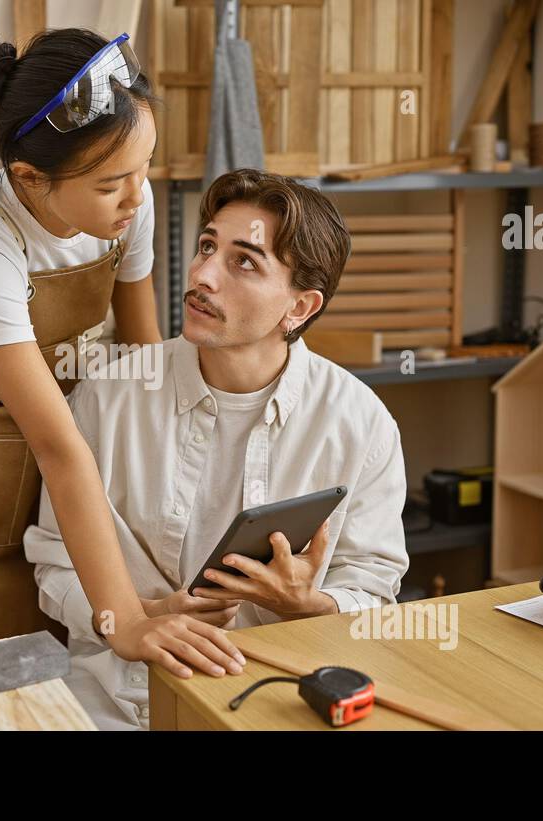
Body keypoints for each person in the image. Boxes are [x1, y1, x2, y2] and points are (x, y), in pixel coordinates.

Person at [0, 28, 244, 708]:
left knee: (44, 700)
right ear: (30, 178)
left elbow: (146, 367)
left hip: (56, 499)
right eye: (113, 183)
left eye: (143, 169)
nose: (136, 197)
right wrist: (125, 618)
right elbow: (59, 446)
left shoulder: (126, 208)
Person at [25, 168, 410, 729]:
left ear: (299, 308)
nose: (202, 274)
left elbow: (375, 588)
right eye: (207, 246)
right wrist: (129, 619)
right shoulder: (108, 398)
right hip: (117, 703)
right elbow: (53, 563)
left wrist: (309, 605)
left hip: (276, 705)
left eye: (244, 261)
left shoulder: (361, 422)